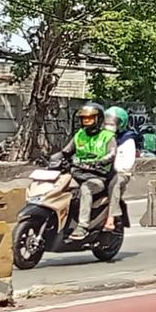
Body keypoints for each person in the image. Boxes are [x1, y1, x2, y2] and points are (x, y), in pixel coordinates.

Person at [53, 102, 115, 240]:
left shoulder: (107, 136)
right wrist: (53, 159)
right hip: (77, 173)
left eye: (90, 118)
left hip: (97, 177)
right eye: (84, 118)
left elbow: (111, 154)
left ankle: (83, 226)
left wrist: (99, 162)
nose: (86, 121)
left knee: (86, 189)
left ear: (98, 119)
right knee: (58, 187)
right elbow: (66, 151)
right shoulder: (80, 135)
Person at [102, 106, 136, 231]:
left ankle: (111, 219)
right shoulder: (100, 137)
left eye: (112, 123)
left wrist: (114, 168)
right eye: (106, 122)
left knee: (115, 184)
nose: (108, 125)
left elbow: (127, 162)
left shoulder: (127, 140)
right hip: (99, 171)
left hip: (120, 173)